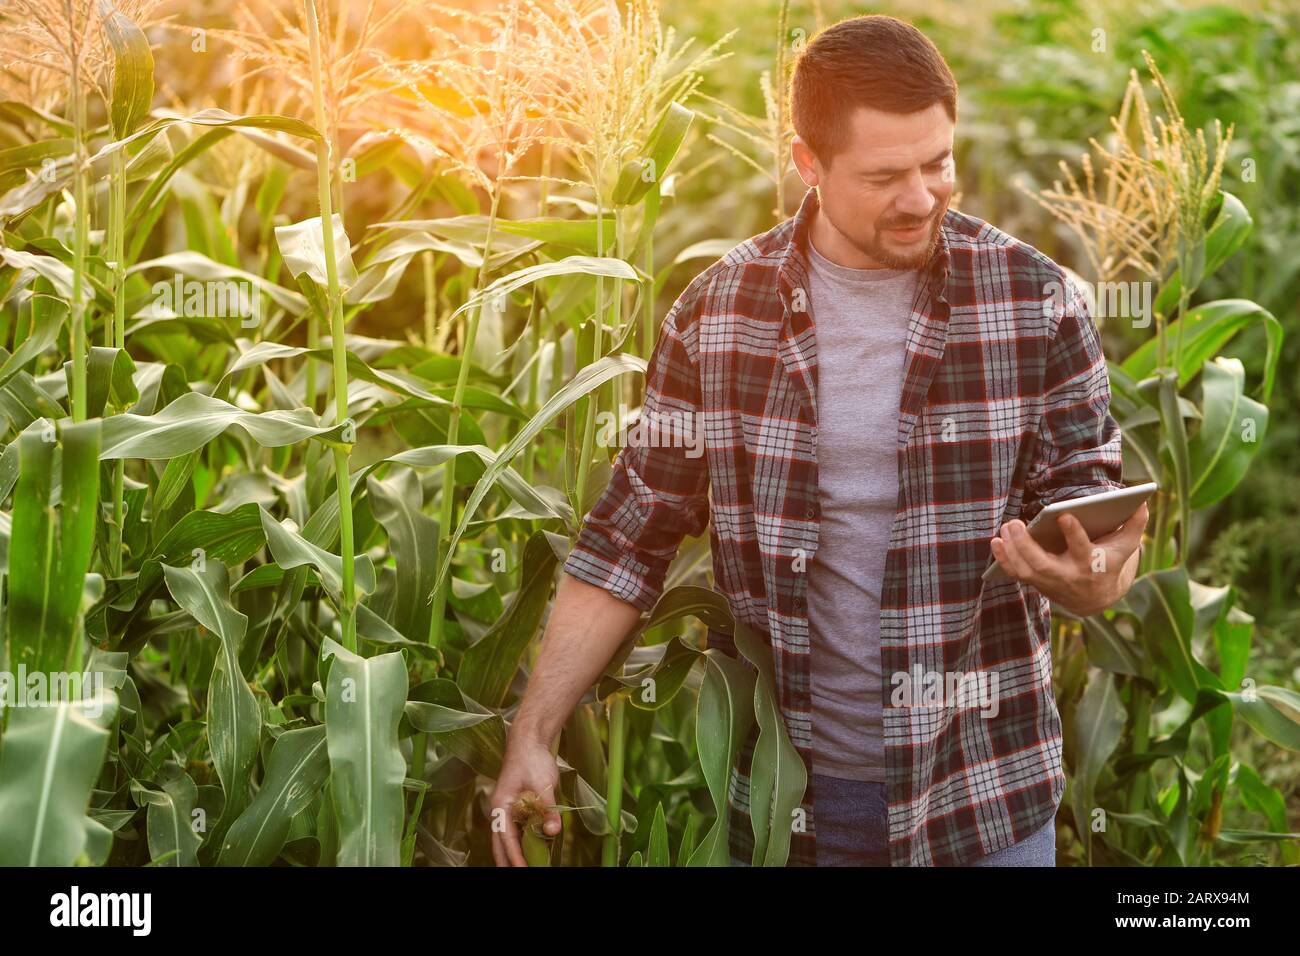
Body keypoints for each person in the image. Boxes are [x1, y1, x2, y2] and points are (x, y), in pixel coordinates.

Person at [490, 13, 1147, 868]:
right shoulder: (719, 314)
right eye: (884, 175)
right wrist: (532, 731)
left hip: (983, 797)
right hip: (786, 805)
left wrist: (1095, 583)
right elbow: (628, 538)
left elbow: (1094, 525)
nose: (922, 198)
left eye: (937, 163)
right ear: (808, 162)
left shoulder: (1037, 302)